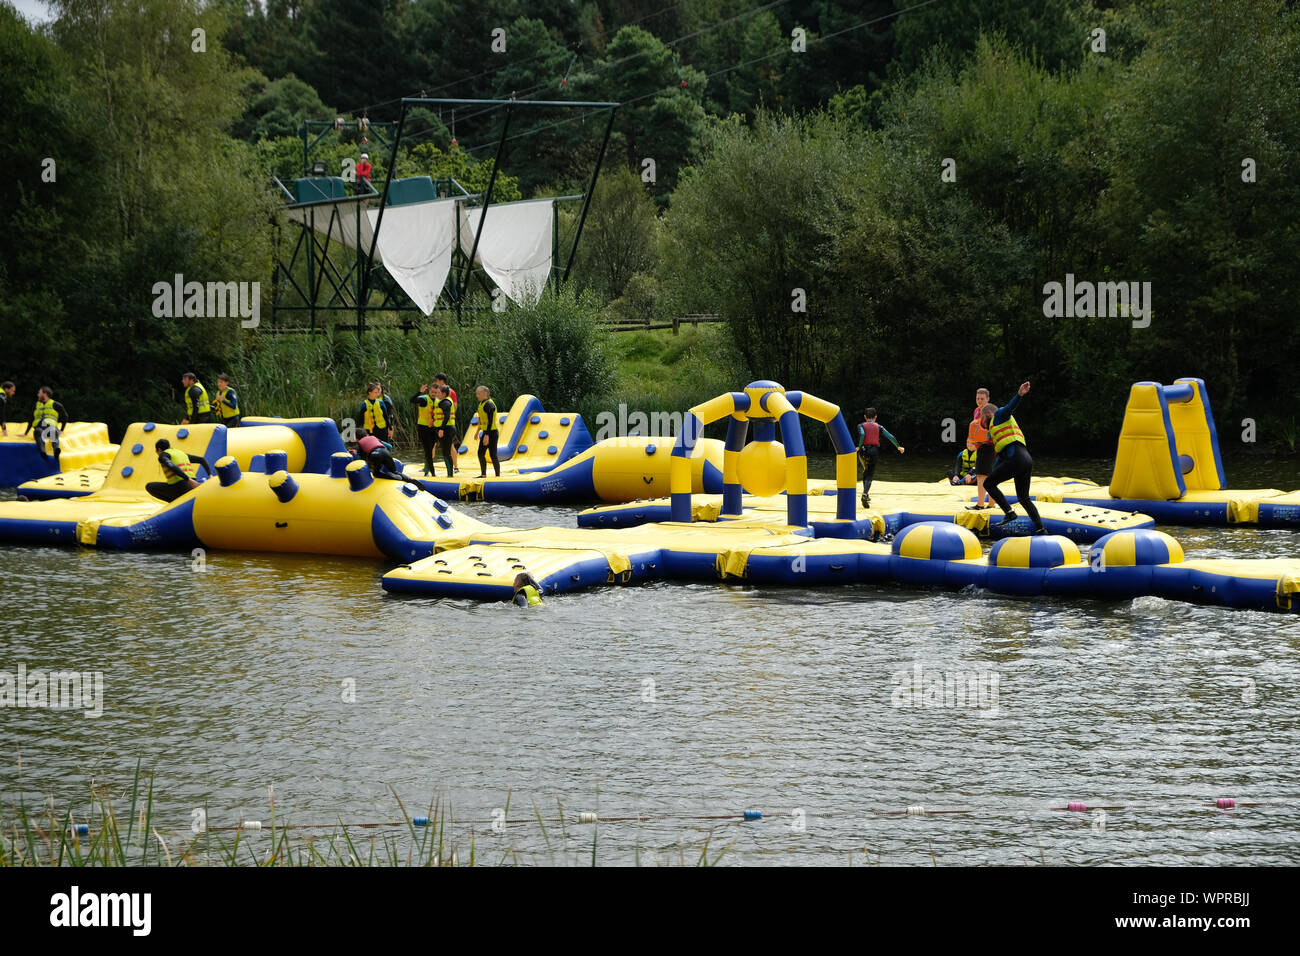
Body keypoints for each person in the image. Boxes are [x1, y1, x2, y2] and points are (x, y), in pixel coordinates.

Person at [980, 381, 1047, 535]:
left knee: (989, 484)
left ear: (987, 414)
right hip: (1026, 461)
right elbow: (1002, 459)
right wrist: (994, 472)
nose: (982, 423)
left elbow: (1010, 407)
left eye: (982, 419)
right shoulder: (996, 429)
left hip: (1016, 459)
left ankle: (1009, 513)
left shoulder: (999, 415)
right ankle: (1040, 529)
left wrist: (1019, 395)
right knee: (1024, 498)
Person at [857, 407, 904, 507]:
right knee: (870, 473)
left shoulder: (860, 425)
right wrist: (898, 446)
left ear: (865, 417)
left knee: (866, 470)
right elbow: (890, 436)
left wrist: (859, 446)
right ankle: (865, 494)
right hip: (873, 451)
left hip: (862, 451)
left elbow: (862, 434)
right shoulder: (879, 427)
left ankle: (866, 494)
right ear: (876, 417)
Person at [145, 438, 211, 503]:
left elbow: (171, 466)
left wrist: (188, 480)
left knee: (149, 486)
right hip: (192, 486)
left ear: (159, 450)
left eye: (157, 452)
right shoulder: (181, 453)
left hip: (180, 488)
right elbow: (201, 459)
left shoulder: (163, 455)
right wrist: (210, 475)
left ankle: (174, 504)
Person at [23, 386, 67, 465]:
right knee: (37, 432)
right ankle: (42, 452)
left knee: (53, 431)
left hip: (51, 427)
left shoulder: (55, 404)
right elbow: (31, 418)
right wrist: (25, 433)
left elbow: (65, 416)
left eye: (39, 393)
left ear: (45, 394)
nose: (38, 395)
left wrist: (62, 430)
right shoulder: (36, 405)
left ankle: (56, 449)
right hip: (40, 428)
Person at [966, 387, 994, 509]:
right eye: (977, 398)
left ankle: (980, 504)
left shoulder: (990, 412)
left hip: (989, 446)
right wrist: (970, 441)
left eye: (982, 399)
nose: (979, 401)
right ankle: (991, 504)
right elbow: (975, 429)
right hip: (981, 446)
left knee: (982, 476)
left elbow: (989, 430)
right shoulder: (977, 411)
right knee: (987, 476)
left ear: (988, 399)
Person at [434, 372, 459, 473]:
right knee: (433, 444)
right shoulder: (437, 391)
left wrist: (447, 421)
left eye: (436, 380)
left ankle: (455, 467)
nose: (435, 382)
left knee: (450, 446)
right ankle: (428, 465)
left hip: (446, 425)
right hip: (438, 424)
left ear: (441, 381)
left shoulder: (450, 392)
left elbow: (454, 405)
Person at [475, 385, 501, 478]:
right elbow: (481, 420)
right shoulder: (481, 403)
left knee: (493, 454)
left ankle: (497, 476)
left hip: (492, 433)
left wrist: (487, 435)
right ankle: (483, 474)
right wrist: (478, 431)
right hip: (486, 432)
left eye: (478, 393)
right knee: (480, 453)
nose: (477, 395)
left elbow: (490, 421)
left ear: (484, 393)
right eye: (476, 393)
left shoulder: (489, 405)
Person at [411, 383, 436, 475]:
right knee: (428, 451)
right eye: (432, 392)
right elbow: (412, 400)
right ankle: (432, 472)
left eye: (435, 392)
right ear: (429, 391)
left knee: (430, 449)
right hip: (423, 428)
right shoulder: (424, 399)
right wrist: (419, 392)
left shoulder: (438, 401)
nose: (433, 394)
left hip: (434, 429)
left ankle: (427, 470)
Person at [432, 384, 456, 478]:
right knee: (445, 452)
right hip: (446, 428)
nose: (436, 394)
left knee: (446, 452)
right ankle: (449, 473)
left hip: (447, 429)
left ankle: (450, 474)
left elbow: (447, 416)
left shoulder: (445, 402)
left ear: (444, 394)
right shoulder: (443, 401)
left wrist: (441, 429)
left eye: (438, 393)